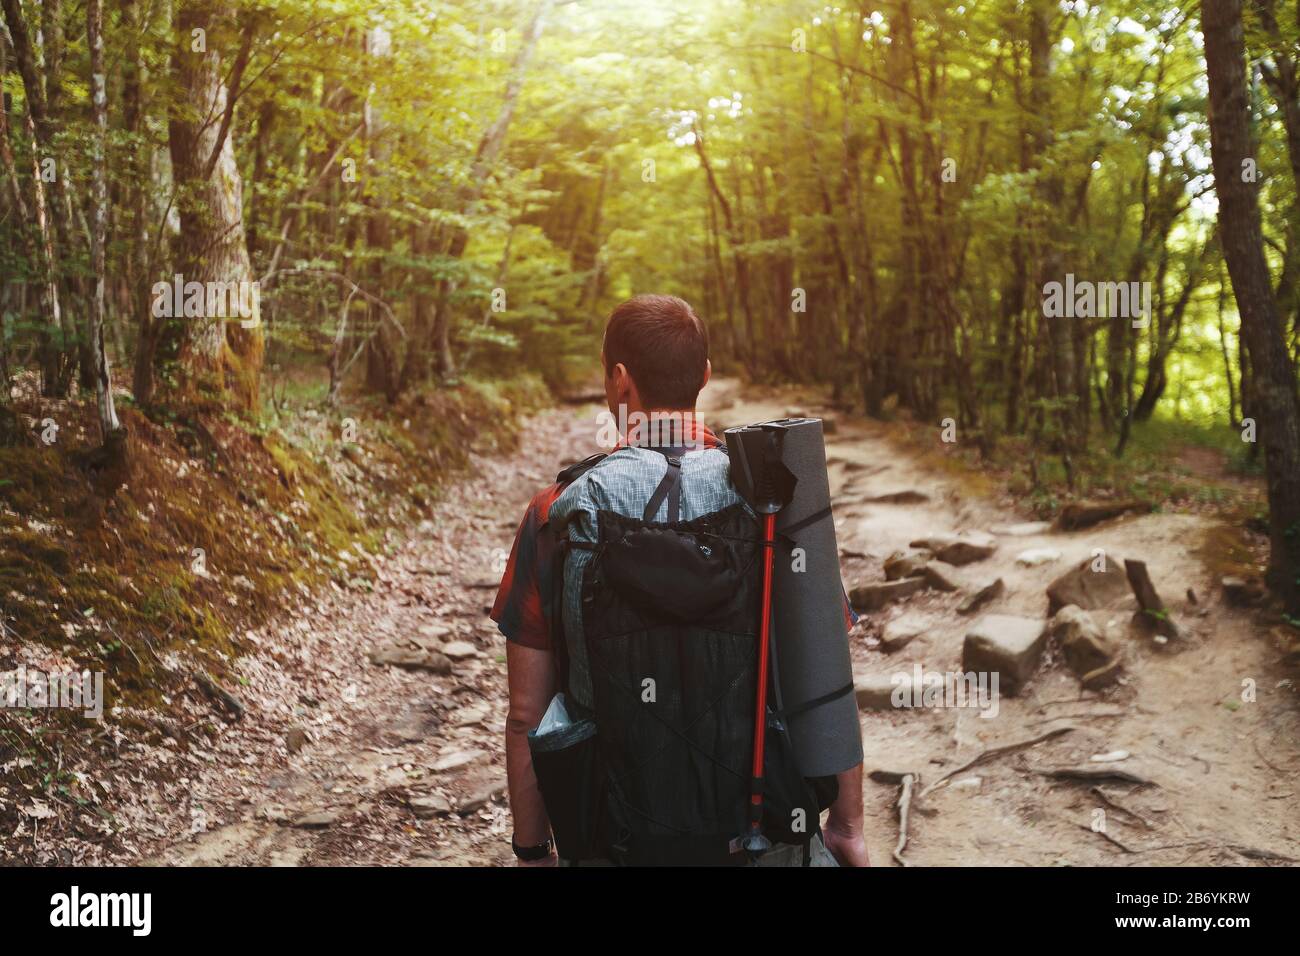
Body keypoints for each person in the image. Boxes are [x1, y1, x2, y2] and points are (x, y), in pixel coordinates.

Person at [491, 294, 869, 867]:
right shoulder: (773, 501)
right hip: (763, 835)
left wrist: (532, 850)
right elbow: (823, 675)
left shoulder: (555, 513)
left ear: (619, 380)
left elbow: (526, 713)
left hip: (611, 841)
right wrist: (847, 825)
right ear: (706, 376)